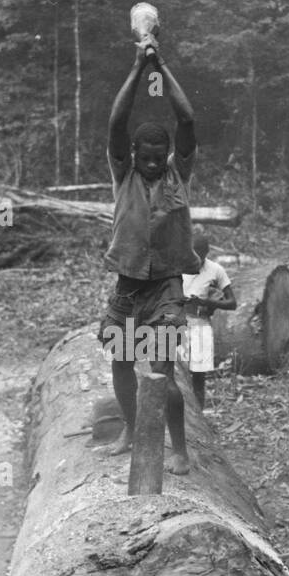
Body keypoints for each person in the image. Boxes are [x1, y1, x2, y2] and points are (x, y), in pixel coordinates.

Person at [98, 29, 199, 474]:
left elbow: (188, 121)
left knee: (161, 372)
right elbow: (116, 124)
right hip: (127, 287)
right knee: (122, 361)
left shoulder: (178, 174)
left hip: (165, 290)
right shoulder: (124, 174)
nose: (154, 162)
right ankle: (131, 426)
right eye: (147, 155)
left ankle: (178, 448)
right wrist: (139, 66)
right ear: (134, 154)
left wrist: (161, 65)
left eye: (161, 155)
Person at [180, 232, 236, 408]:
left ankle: (199, 413)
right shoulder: (176, 265)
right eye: (194, 255)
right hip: (177, 322)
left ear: (207, 252)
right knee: (177, 372)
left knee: (198, 374)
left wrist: (207, 302)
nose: (197, 260)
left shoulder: (215, 270)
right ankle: (181, 414)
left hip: (200, 322)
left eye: (202, 256)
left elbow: (232, 302)